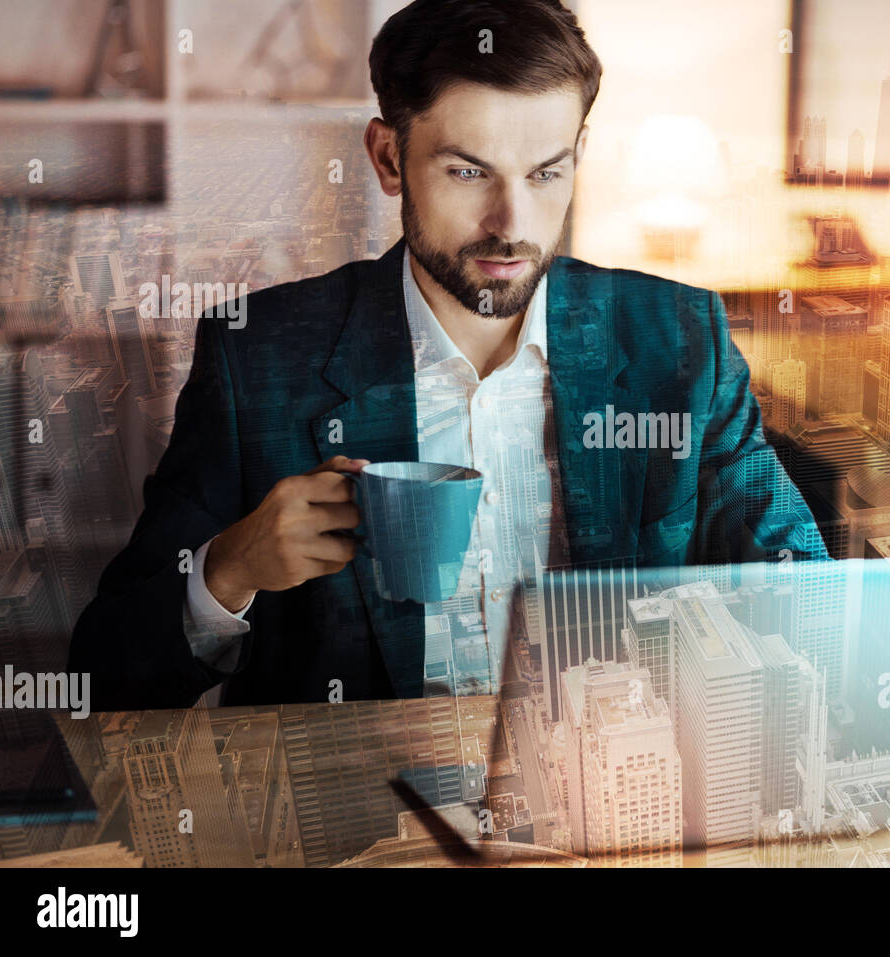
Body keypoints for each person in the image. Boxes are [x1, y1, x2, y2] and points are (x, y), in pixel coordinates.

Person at [69, 0, 828, 711]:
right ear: (389, 157)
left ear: (579, 156)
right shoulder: (258, 357)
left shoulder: (680, 337)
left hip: (617, 807)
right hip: (365, 830)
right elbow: (104, 675)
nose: (512, 222)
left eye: (546, 172)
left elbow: (802, 588)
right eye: (468, 171)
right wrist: (228, 570)